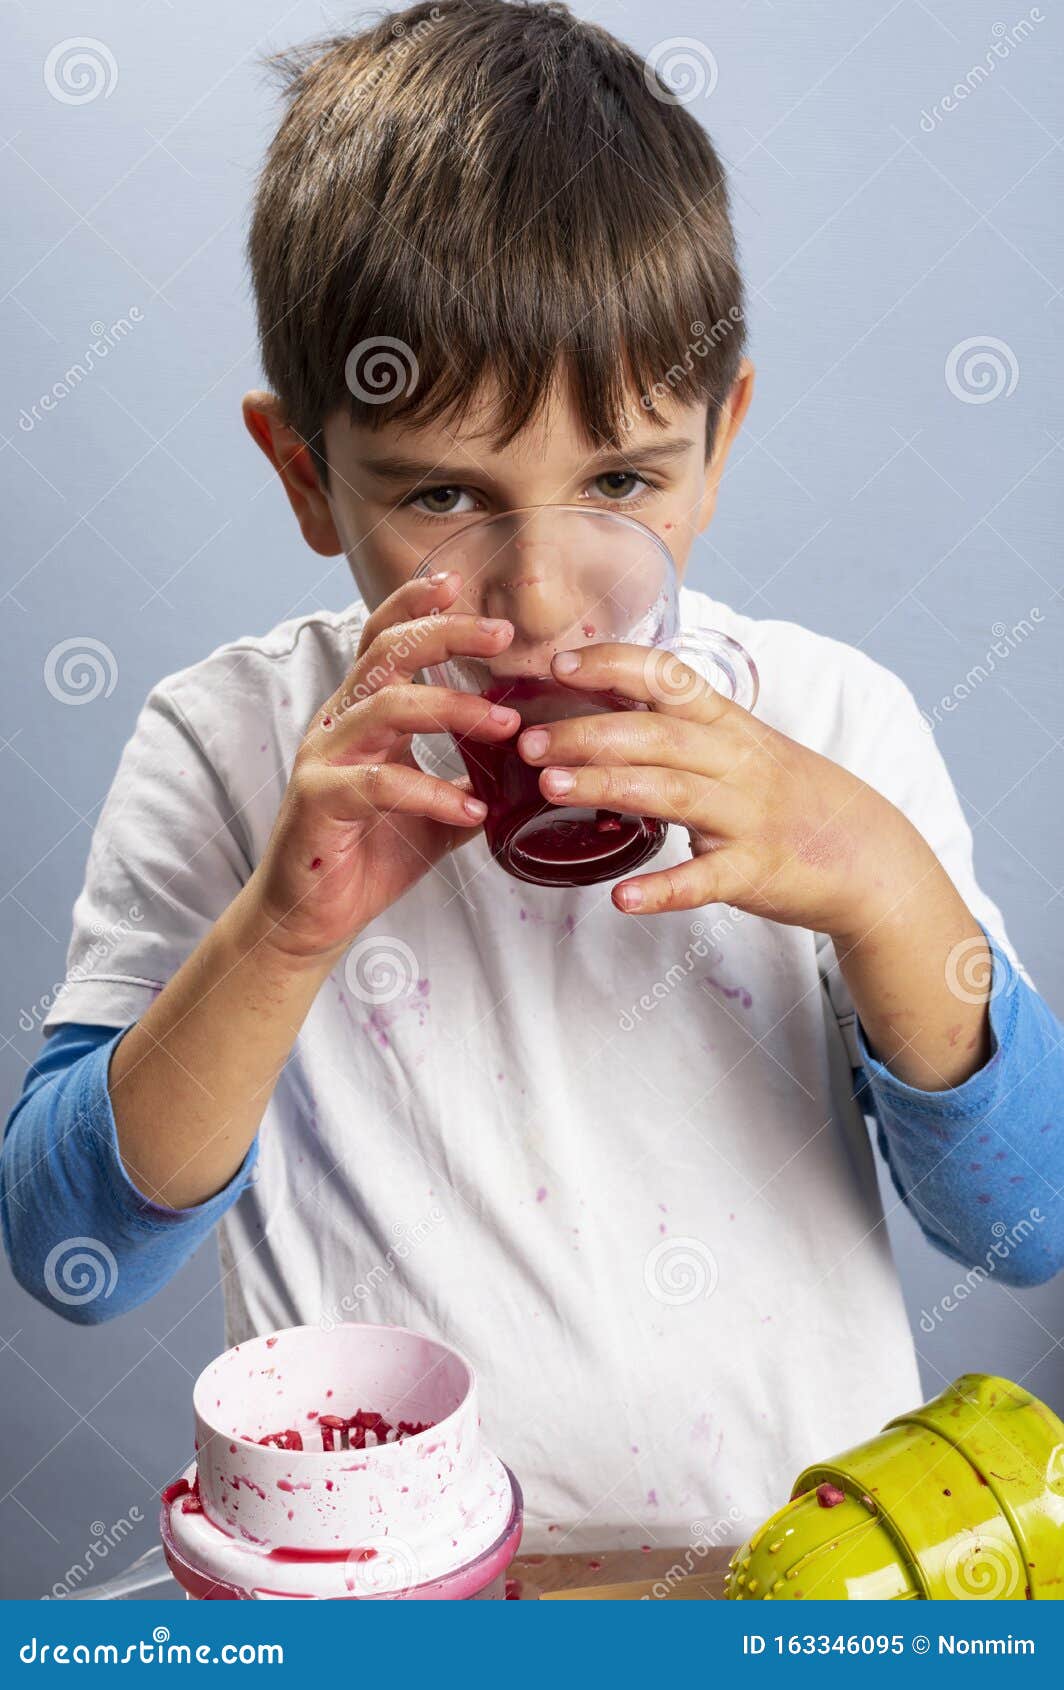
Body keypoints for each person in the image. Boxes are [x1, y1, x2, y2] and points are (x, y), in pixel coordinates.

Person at [4, 1, 1062, 1551]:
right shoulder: (231, 747)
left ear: (721, 441)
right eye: (445, 494)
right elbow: (66, 1251)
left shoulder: (835, 726)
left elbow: (1027, 1224)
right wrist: (277, 938)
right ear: (306, 476)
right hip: (392, 1601)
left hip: (793, 1586)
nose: (549, 595)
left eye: (622, 479)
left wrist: (885, 891)